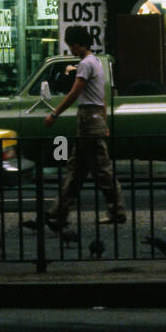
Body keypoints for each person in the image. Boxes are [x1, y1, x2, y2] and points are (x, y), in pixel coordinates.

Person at [43, 26, 127, 228]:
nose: (70, 49)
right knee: (76, 170)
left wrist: (55, 113)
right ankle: (59, 212)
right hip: (94, 118)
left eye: (71, 45)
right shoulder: (96, 62)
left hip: (88, 120)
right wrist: (104, 122)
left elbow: (74, 93)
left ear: (79, 44)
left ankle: (117, 210)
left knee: (100, 170)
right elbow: (101, 97)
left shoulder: (85, 65)